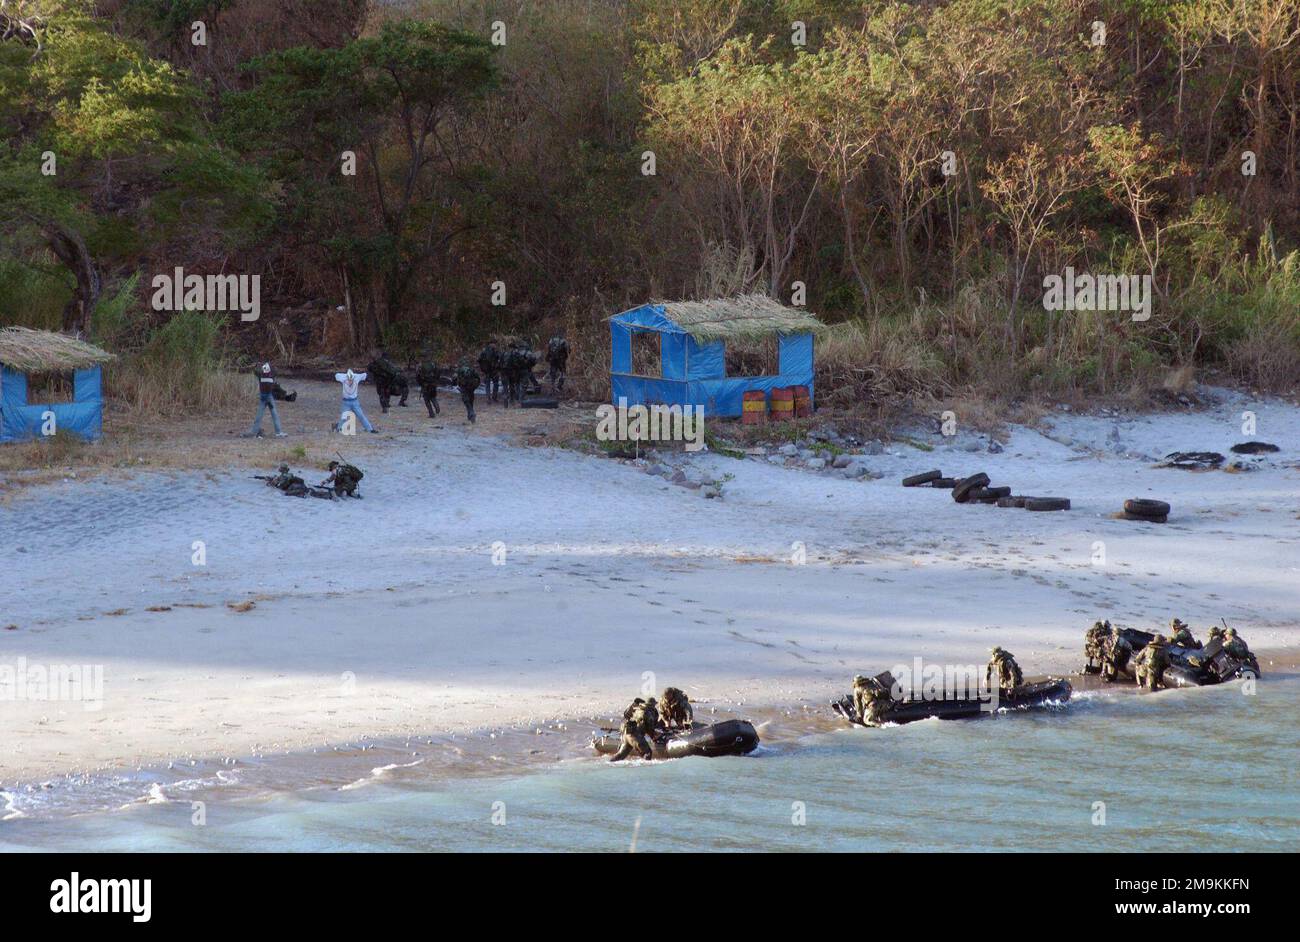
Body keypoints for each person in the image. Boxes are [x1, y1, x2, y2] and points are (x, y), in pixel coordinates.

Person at [247, 362, 287, 438]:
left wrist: (256, 365)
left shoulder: (260, 371)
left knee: (259, 414)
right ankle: (278, 432)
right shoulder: (273, 371)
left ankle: (254, 431)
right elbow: (274, 378)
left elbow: (256, 372)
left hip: (263, 395)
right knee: (274, 414)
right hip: (269, 395)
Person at [608, 698, 653, 762]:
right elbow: (649, 728)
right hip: (635, 736)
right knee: (648, 753)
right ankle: (644, 769)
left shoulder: (635, 709)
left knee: (620, 755)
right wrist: (654, 736)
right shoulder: (647, 713)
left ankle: (610, 763)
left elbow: (625, 716)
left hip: (625, 734)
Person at [334, 368, 378, 433]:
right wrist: (344, 375)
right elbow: (336, 375)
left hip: (355, 402)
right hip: (345, 402)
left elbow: (365, 375)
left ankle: (370, 429)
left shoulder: (357, 377)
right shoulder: (343, 378)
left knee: (361, 415)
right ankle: (338, 428)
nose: (350, 381)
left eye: (351, 379)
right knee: (344, 417)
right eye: (349, 379)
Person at [453, 359, 480, 423]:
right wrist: (475, 386)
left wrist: (455, 383)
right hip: (471, 387)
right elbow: (478, 378)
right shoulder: (472, 369)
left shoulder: (459, 370)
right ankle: (469, 415)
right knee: (471, 400)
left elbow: (454, 378)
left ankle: (471, 413)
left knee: (466, 401)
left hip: (463, 387)